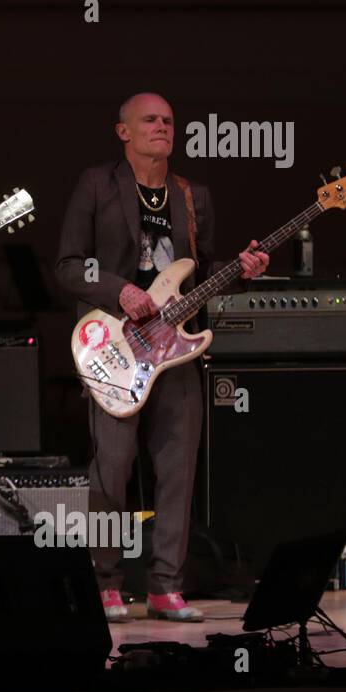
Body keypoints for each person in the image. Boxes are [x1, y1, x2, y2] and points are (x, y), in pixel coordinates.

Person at [55, 92, 268, 623]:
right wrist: (120, 291)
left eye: (169, 121)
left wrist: (241, 272)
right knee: (113, 464)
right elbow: (66, 266)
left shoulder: (193, 196)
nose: (162, 127)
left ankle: (165, 586)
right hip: (116, 343)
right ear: (123, 131)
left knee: (178, 465)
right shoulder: (96, 185)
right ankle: (105, 583)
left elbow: (208, 272)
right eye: (150, 120)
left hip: (176, 350)